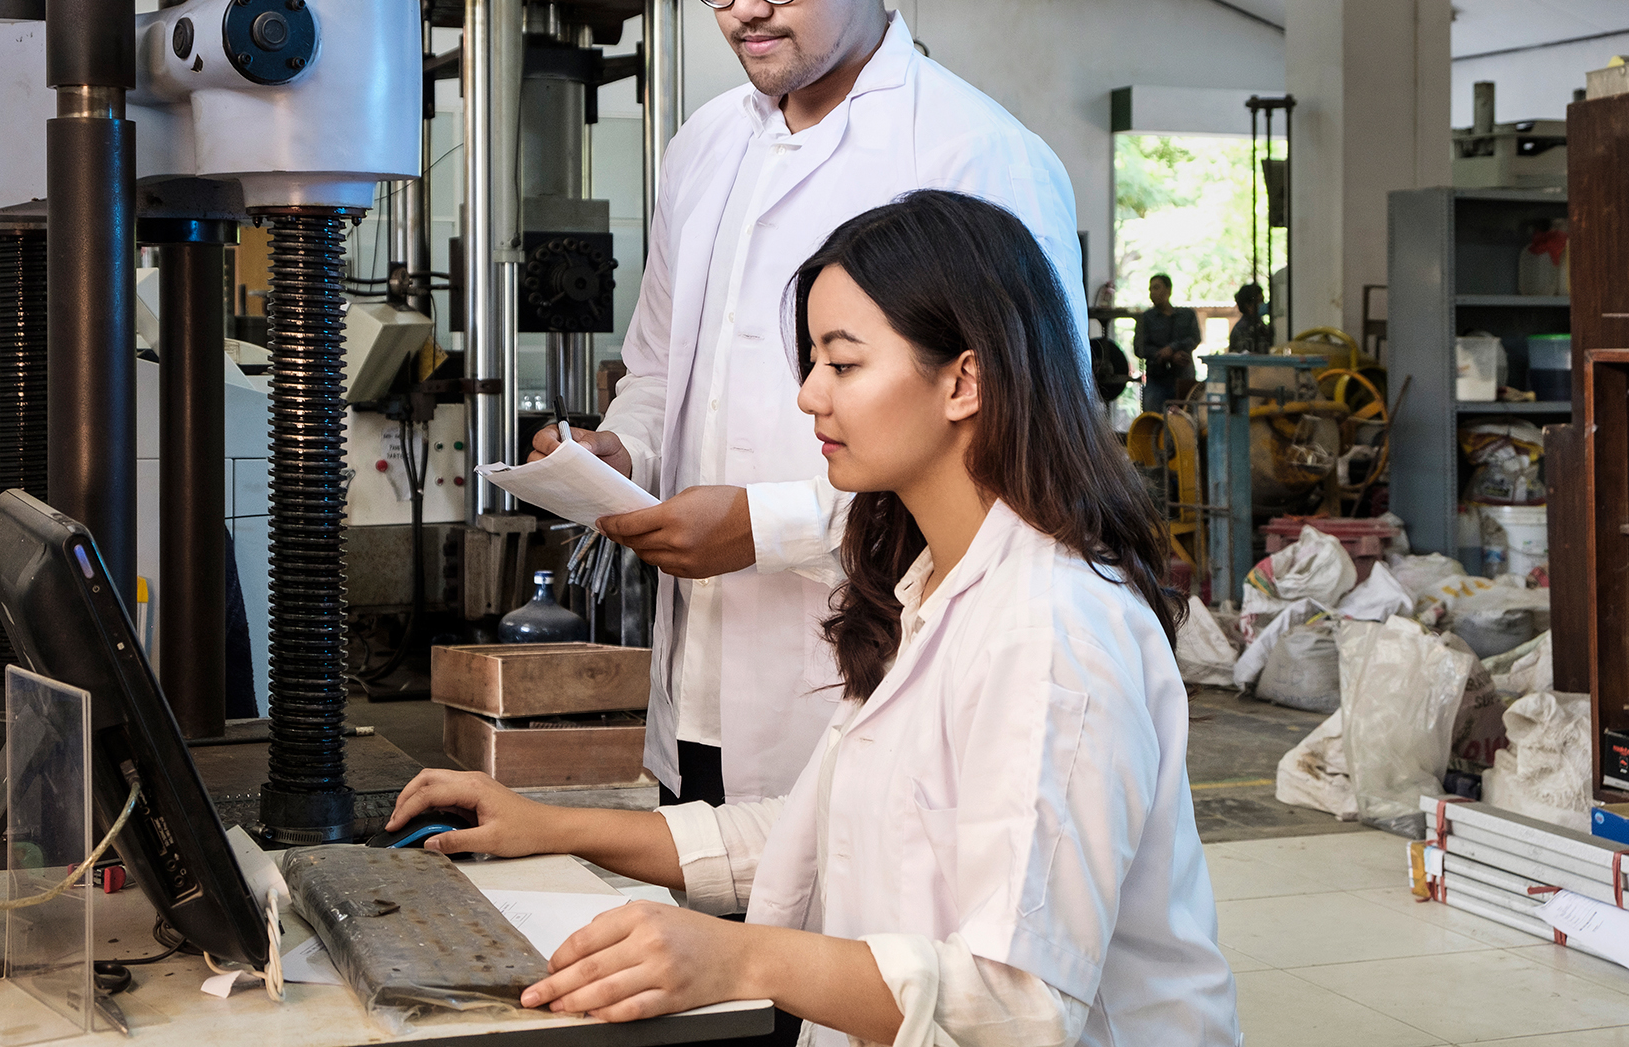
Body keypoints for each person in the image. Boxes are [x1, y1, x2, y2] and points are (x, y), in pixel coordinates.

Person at [392, 193, 1238, 1046]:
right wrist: (549, 826)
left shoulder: (1051, 631)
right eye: (812, 363)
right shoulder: (932, 584)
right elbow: (826, 829)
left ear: (964, 380)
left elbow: (1019, 1003)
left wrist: (742, 960)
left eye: (842, 364)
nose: (807, 397)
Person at [526, 0, 1084, 810]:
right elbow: (660, 370)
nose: (747, 6)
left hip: (880, 681)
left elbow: (1026, 448)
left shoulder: (972, 156)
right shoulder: (705, 147)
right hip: (693, 688)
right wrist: (618, 453)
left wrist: (767, 525)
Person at [1132, 274, 1199, 415]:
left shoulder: (1187, 316)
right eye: (1150, 289)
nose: (1152, 293)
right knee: (1154, 420)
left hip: (1183, 377)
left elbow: (1194, 338)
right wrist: (1164, 355)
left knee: (1187, 419)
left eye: (1156, 288)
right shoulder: (1146, 319)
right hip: (1156, 379)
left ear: (1169, 290)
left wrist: (1172, 349)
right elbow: (1139, 348)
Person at [1227, 282, 1272, 354]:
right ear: (1248, 306)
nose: (1263, 304)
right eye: (1260, 301)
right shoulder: (1243, 329)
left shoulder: (1258, 324)